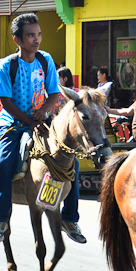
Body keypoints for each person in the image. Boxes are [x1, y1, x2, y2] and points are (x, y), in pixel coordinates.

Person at [0, 13, 85, 243]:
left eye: (39, 34)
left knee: (73, 162)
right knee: (3, 163)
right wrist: (28, 120)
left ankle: (70, 218)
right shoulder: (7, 66)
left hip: (42, 124)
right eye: (30, 35)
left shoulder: (46, 60)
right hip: (13, 125)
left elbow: (54, 92)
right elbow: (6, 102)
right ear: (17, 40)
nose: (37, 39)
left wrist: (44, 110)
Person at [55, 67, 87, 244]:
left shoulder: (74, 97)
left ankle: (69, 217)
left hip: (64, 143)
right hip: (44, 133)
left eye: (58, 77)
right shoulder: (51, 92)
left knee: (74, 165)